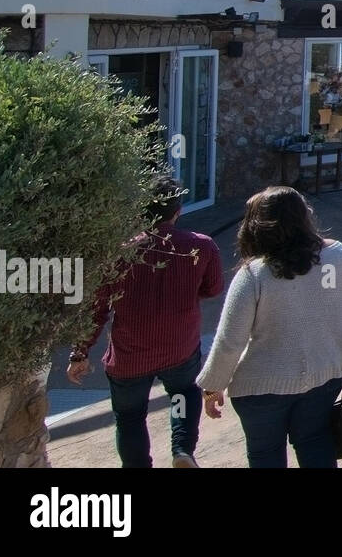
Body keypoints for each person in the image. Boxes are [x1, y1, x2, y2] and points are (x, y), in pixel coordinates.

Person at [198, 187, 342, 469]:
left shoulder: (254, 274)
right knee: (316, 443)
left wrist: (213, 384)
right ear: (304, 217)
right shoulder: (341, 257)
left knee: (265, 454)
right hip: (326, 377)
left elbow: (231, 339)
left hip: (261, 387)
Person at [68, 176, 223, 469]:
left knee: (130, 417)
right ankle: (181, 450)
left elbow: (97, 308)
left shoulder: (119, 252)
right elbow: (213, 289)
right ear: (177, 211)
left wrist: (80, 352)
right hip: (179, 347)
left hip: (130, 356)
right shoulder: (202, 247)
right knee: (182, 394)